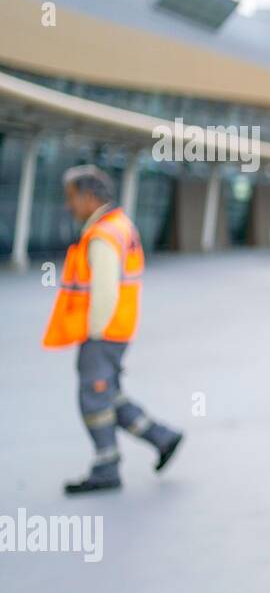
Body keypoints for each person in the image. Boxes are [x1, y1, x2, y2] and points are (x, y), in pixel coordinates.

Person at [42, 164, 183, 495]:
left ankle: (106, 467)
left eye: (71, 197)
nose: (69, 205)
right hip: (118, 328)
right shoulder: (120, 225)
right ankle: (162, 437)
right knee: (109, 394)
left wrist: (94, 332)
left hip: (103, 333)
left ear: (89, 196)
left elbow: (105, 289)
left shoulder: (103, 234)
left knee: (94, 396)